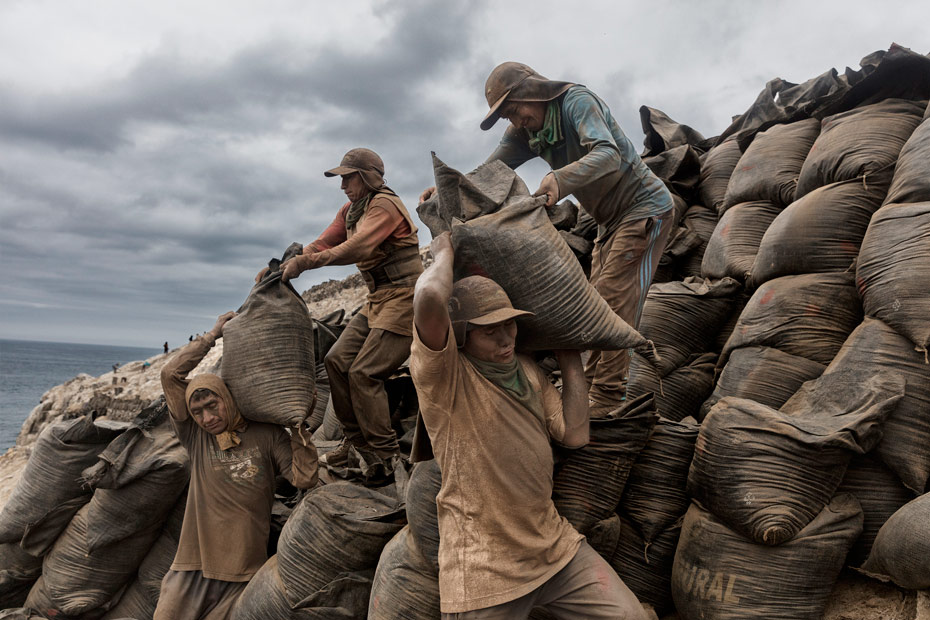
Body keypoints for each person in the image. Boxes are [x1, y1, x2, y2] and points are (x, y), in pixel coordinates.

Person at [409, 232, 646, 619]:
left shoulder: (528, 372)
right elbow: (429, 299)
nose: (505, 339)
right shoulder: (445, 378)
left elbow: (574, 434)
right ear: (463, 334)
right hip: (485, 568)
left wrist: (568, 356)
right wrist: (444, 252)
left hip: (553, 547)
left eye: (510, 325)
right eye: (490, 331)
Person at [420, 62, 674, 414]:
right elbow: (490, 171)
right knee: (595, 307)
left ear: (532, 92)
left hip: (644, 208)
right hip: (608, 222)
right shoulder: (524, 132)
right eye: (508, 116)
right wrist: (448, 187)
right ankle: (593, 389)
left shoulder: (576, 103)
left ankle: (608, 398)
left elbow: (608, 154)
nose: (516, 121)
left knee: (616, 300)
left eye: (515, 110)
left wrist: (559, 179)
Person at [259, 147, 423, 483]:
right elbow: (322, 243)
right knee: (336, 361)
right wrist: (281, 267)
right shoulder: (351, 210)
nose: (343, 185)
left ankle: (386, 455)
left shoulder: (385, 206)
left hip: (405, 297)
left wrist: (308, 263)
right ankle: (357, 443)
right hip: (378, 299)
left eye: (349, 178)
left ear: (367, 178)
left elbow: (358, 247)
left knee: (365, 373)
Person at [155, 311, 319, 620]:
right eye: (198, 412)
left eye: (212, 406)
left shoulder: (268, 435)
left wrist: (299, 429)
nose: (207, 418)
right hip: (192, 566)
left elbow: (304, 478)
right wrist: (212, 335)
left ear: (227, 399)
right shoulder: (195, 436)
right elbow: (170, 375)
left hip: (244, 570)